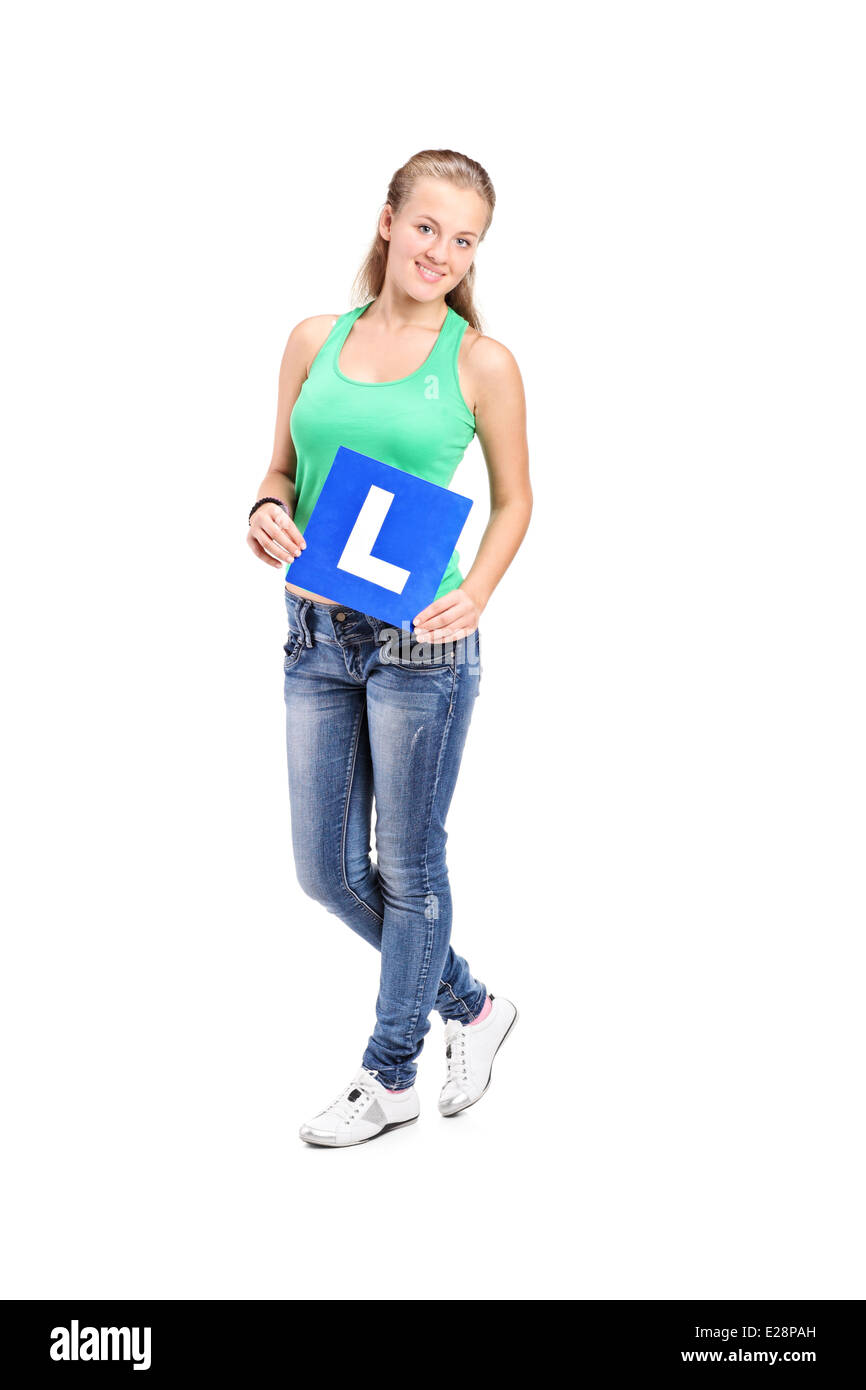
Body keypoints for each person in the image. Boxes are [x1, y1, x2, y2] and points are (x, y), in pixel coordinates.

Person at [247, 149, 532, 1148]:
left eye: (463, 240)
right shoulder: (311, 339)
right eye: (427, 227)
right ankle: (475, 1003)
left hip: (420, 644)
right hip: (314, 633)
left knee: (407, 867)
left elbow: (516, 499)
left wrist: (479, 594)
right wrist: (264, 510)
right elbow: (279, 468)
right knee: (325, 870)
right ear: (386, 221)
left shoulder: (477, 361)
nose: (441, 252)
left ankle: (389, 1070)